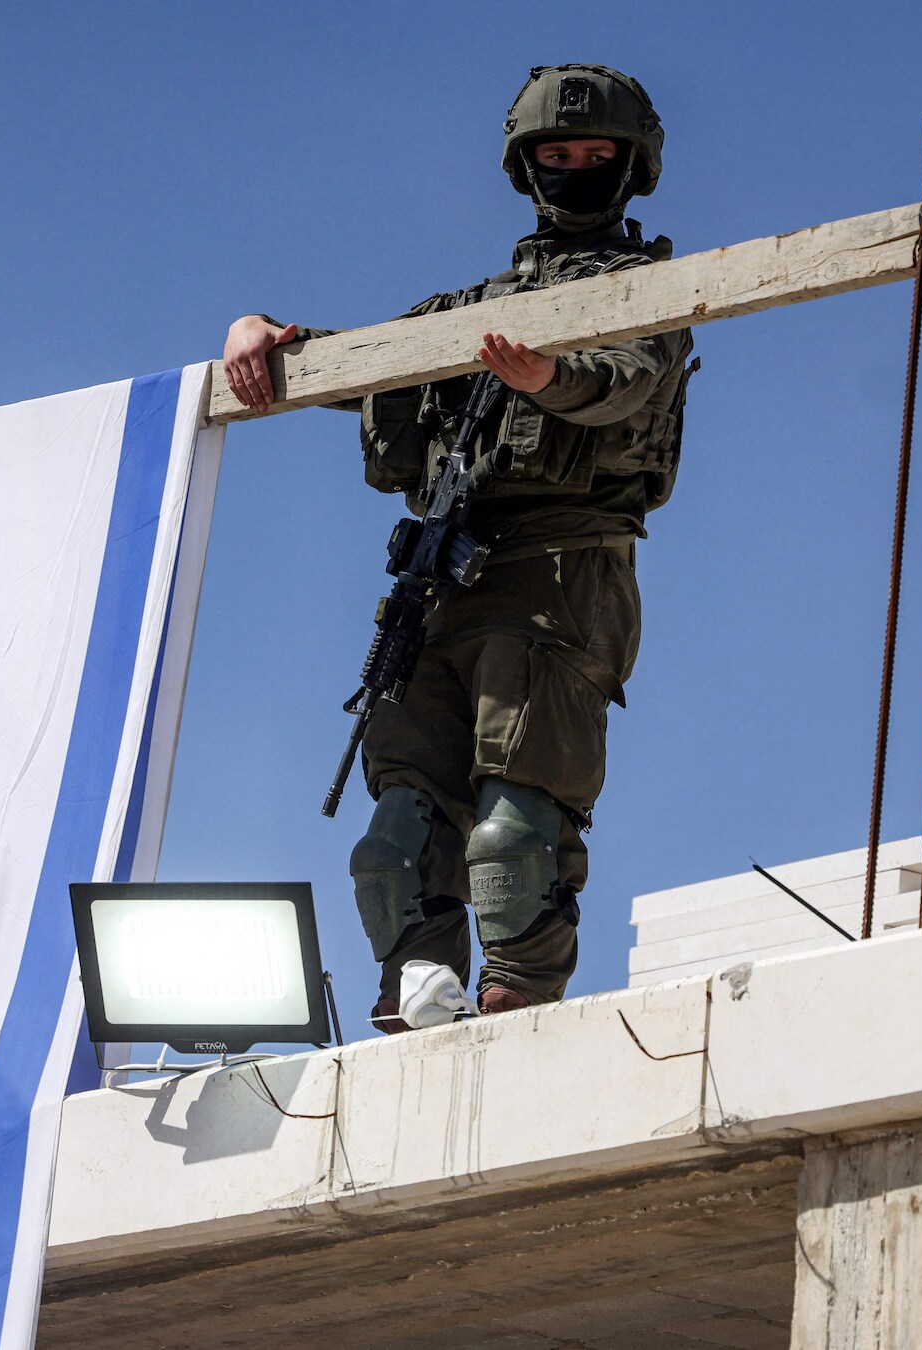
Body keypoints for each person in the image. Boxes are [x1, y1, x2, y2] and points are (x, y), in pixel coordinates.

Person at [223, 64, 697, 1029]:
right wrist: (263, 331)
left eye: (594, 155)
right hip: (440, 580)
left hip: (562, 577)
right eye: (556, 155)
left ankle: (516, 1011)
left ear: (630, 166)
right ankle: (417, 1004)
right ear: (528, 166)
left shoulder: (651, 289)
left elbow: (625, 379)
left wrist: (549, 378)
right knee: (394, 846)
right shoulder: (465, 307)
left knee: (514, 838)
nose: (574, 169)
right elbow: (365, 365)